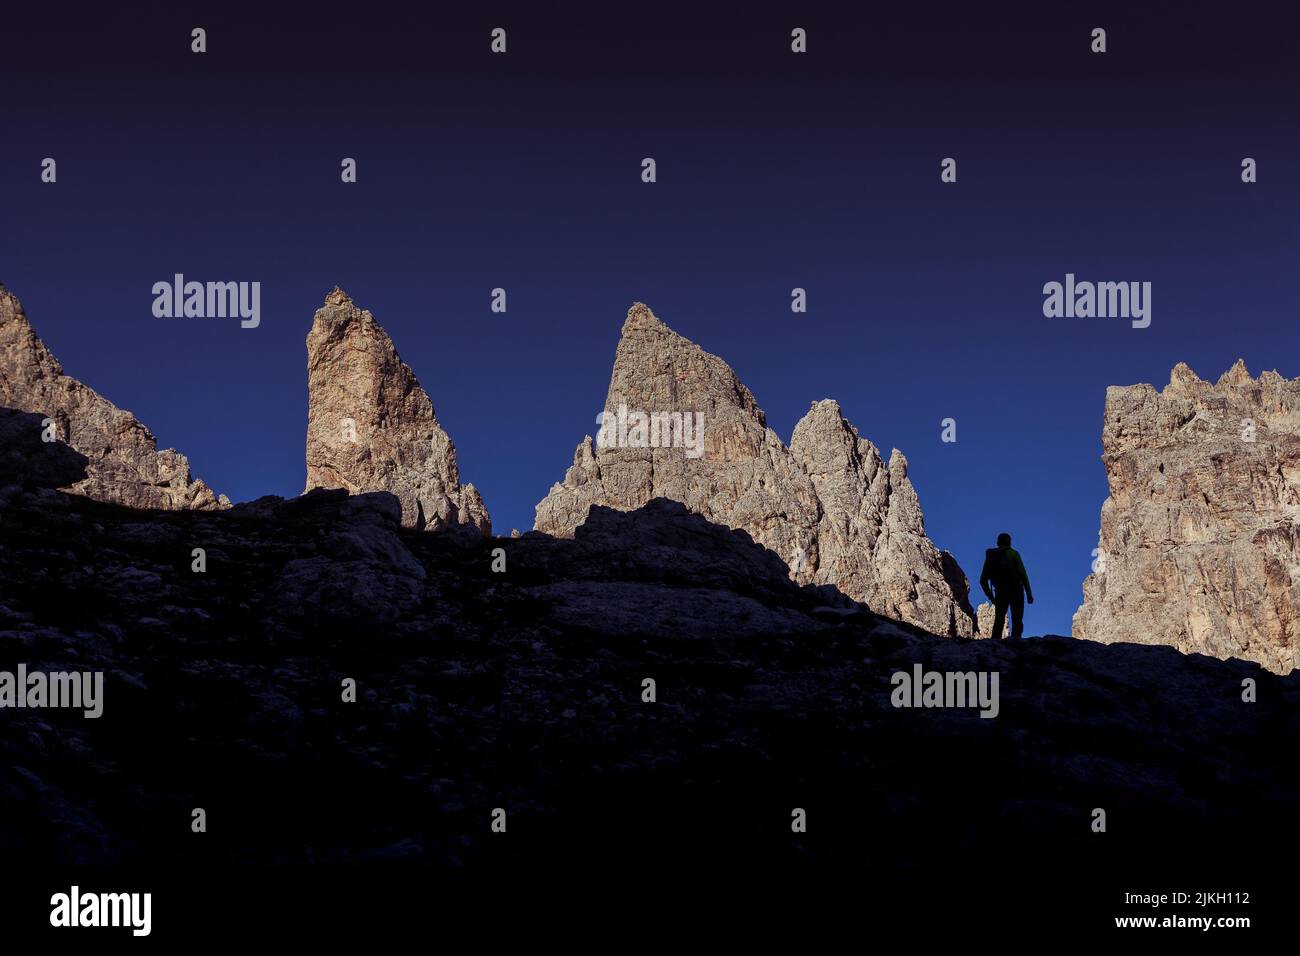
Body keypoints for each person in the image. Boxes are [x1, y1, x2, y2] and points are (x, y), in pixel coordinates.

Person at [979, 532, 1033, 639]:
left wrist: (992, 597)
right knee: (1017, 620)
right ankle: (1016, 645)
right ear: (1010, 543)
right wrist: (1029, 594)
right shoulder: (1013, 554)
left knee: (999, 621)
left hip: (1000, 592)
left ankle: (994, 646)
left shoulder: (991, 556)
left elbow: (982, 580)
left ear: (998, 542)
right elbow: (1023, 574)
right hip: (1016, 591)